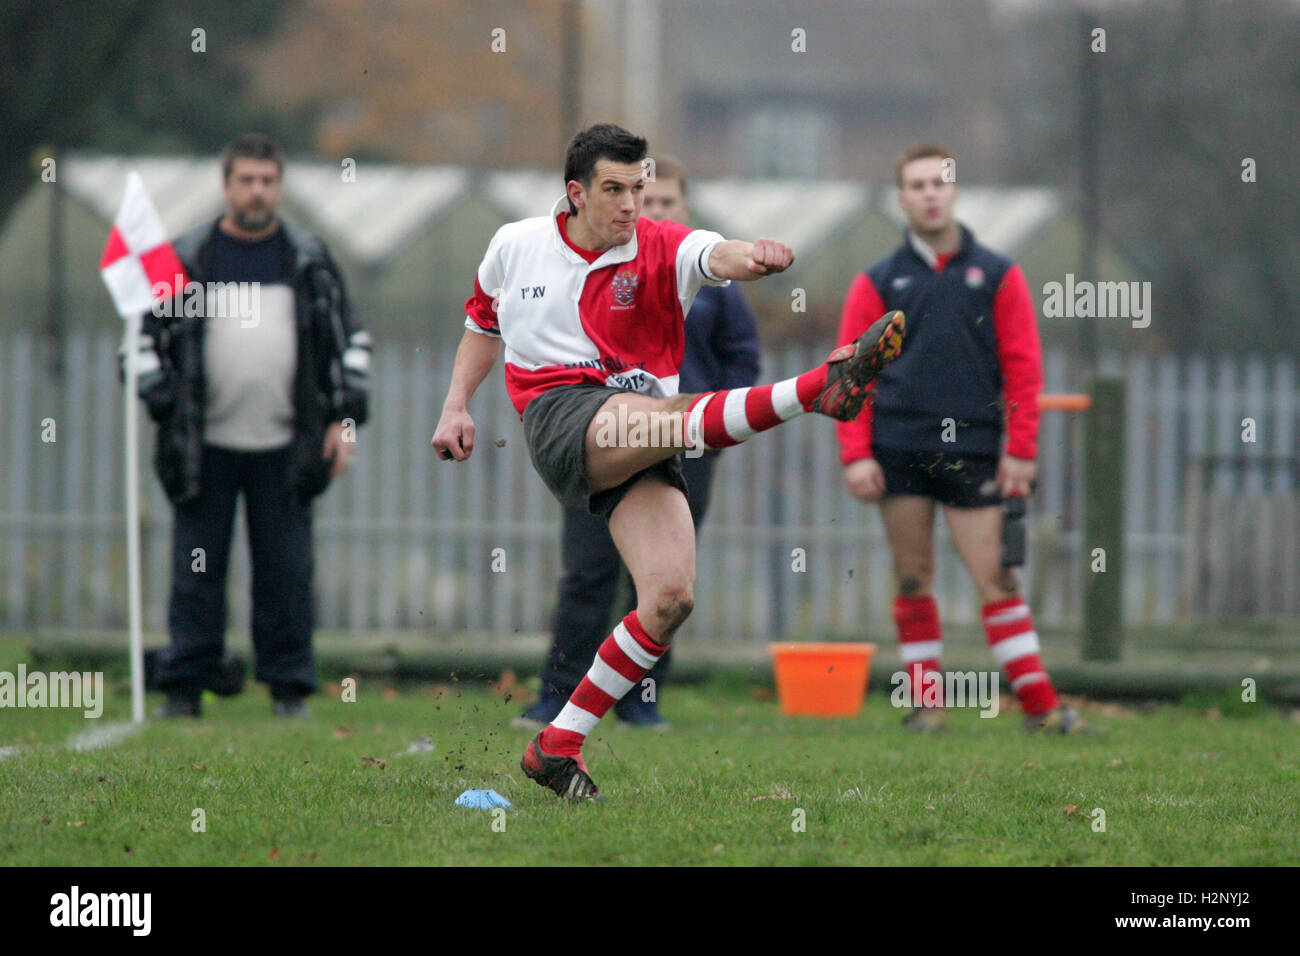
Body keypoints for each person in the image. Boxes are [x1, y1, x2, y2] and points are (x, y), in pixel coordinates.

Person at [433, 123, 904, 801]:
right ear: (575, 193)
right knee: (676, 421)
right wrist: (456, 406)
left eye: (640, 188)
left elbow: (718, 256)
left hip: (640, 427)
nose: (633, 206)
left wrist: (757, 254)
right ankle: (815, 391)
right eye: (615, 190)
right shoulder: (516, 244)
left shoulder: (663, 246)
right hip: (561, 418)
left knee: (670, 598)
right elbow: (483, 321)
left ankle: (557, 744)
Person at [836, 142, 1087, 734]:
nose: (929, 193)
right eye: (917, 185)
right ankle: (927, 708)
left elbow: (1024, 370)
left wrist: (1021, 451)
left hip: (975, 452)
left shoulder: (998, 275)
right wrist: (855, 455)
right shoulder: (877, 281)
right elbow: (850, 374)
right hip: (898, 449)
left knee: (997, 578)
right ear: (902, 198)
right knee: (913, 578)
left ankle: (1041, 709)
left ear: (954, 192)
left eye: (939, 183)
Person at [511, 154, 762, 732]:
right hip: (606, 437)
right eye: (646, 201)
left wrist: (711, 422)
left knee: (666, 583)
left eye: (667, 201)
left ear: (686, 210)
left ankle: (641, 699)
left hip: (688, 445)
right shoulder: (602, 270)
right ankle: (558, 694)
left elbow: (743, 358)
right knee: (586, 569)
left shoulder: (712, 283)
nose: (653, 210)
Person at [125, 133, 371, 718]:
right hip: (201, 448)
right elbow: (140, 343)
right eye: (247, 180)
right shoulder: (185, 258)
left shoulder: (309, 258)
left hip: (287, 447)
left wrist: (346, 424)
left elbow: (351, 344)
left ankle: (289, 691)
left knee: (286, 575)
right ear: (226, 185)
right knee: (196, 573)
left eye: (268, 181)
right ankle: (184, 688)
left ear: (279, 187)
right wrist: (161, 397)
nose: (258, 192)